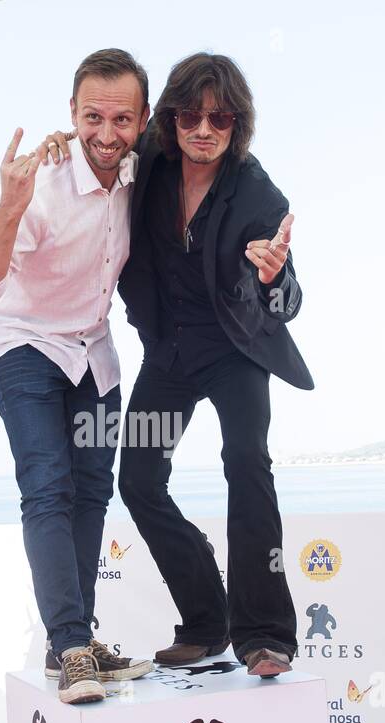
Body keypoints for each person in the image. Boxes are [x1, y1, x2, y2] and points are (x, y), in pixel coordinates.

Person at [43, 53, 312, 677]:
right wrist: (61, 146)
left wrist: (273, 278)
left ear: (236, 125)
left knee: (246, 464)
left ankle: (265, 635)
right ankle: (206, 618)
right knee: (137, 482)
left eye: (220, 118)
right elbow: (101, 138)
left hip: (235, 352)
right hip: (169, 354)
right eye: (190, 114)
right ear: (170, 119)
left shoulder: (258, 193)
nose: (203, 129)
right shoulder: (153, 162)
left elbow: (289, 295)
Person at [0, 49, 156, 704]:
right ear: (71, 114)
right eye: (91, 117)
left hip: (93, 352)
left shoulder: (140, 171)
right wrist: (9, 205)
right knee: (47, 484)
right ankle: (72, 646)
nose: (106, 133)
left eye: (121, 119)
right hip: (25, 344)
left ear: (142, 120)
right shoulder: (40, 183)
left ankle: (66, 643)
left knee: (93, 491)